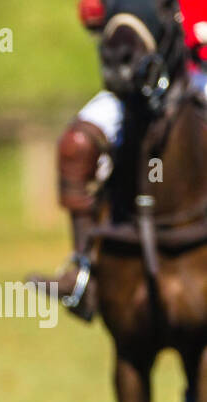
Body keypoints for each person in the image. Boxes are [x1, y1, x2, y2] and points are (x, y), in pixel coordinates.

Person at [47, 0, 207, 319]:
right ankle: (82, 270)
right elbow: (95, 14)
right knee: (75, 146)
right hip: (137, 87)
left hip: (197, 76)